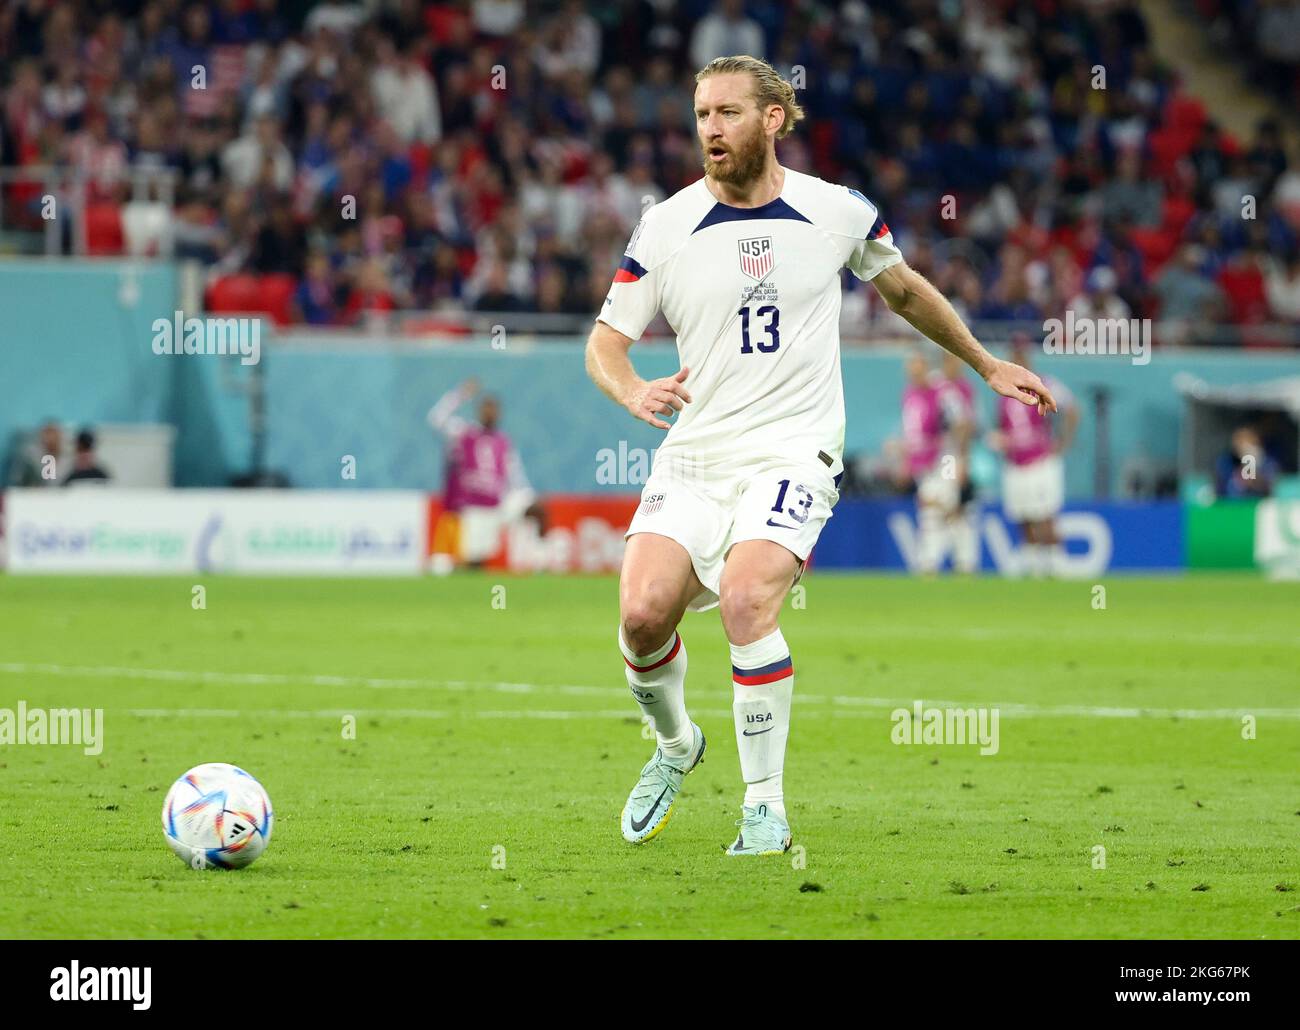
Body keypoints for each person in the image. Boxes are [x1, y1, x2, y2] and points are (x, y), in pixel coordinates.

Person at [584, 56, 1055, 856]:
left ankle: (763, 808)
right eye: (701, 115)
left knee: (745, 601)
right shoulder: (664, 224)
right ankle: (674, 746)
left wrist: (984, 364)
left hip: (795, 451)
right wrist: (629, 390)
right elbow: (605, 343)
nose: (710, 130)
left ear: (773, 118)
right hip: (696, 456)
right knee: (639, 618)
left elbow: (903, 290)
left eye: (728, 113)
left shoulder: (835, 211)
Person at [427, 378, 537, 569]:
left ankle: (539, 560)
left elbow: (516, 477)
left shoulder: (504, 442)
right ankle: (450, 567)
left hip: (499, 505)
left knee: (536, 509)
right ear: (479, 411)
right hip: (474, 509)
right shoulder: (464, 433)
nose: (490, 412)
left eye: (493, 408)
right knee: (475, 562)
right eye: (486, 408)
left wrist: (527, 497)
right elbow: (436, 418)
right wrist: (460, 394)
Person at [990, 340, 1078, 577]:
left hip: (1041, 461)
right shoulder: (1004, 391)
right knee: (1023, 516)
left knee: (1046, 514)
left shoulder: (1044, 383)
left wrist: (1063, 443)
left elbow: (1072, 409)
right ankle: (1032, 568)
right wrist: (1001, 440)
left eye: (1021, 357)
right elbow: (1003, 426)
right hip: (1015, 463)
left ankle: (1057, 566)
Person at [934, 352, 981, 574]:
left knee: (952, 504)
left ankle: (963, 561)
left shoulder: (962, 389)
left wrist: (963, 459)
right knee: (946, 504)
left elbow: (967, 425)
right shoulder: (937, 386)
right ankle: (949, 559)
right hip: (940, 456)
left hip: (950, 456)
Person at [1215, 427, 1278, 498]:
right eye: (1239, 444)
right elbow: (1223, 488)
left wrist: (1253, 468)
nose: (1243, 449)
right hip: (1232, 505)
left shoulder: (1266, 463)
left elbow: (1270, 487)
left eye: (1247, 445)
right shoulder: (1227, 461)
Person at [7, 420, 64, 487]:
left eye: (54, 435)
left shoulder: (69, 460)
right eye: (47, 434)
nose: (50, 439)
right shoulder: (30, 458)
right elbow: (16, 479)